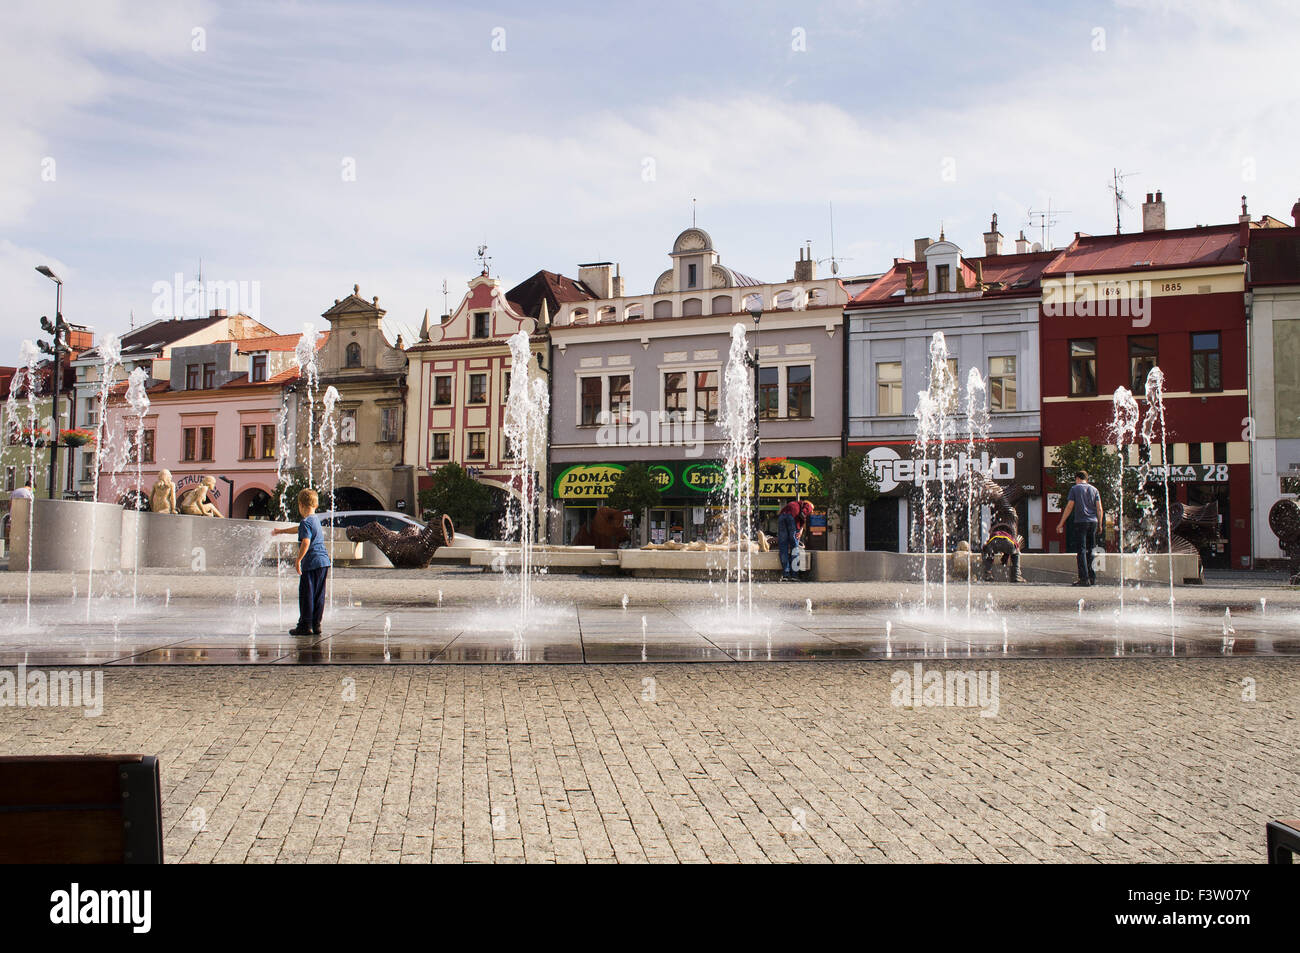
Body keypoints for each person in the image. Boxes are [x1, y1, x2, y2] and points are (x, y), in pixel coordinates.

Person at [272, 488, 332, 635]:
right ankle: (316, 624)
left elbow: (306, 541)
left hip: (311, 563)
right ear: (315, 505)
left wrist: (298, 560)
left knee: (307, 594)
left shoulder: (306, 522)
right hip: (323, 562)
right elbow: (299, 529)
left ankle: (305, 625)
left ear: (300, 505)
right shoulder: (314, 520)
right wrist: (282, 531)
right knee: (318, 594)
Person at [1056, 470, 1104, 587]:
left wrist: (1061, 523)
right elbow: (1099, 509)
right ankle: (1092, 577)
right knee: (1091, 549)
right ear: (1086, 479)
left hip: (1081, 522)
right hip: (1093, 522)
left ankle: (1084, 578)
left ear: (1077, 478)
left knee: (1081, 550)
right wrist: (1100, 524)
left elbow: (1069, 507)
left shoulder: (1075, 489)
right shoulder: (1094, 490)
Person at [776, 498, 803, 581]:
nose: (812, 512)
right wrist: (801, 529)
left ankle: (786, 574)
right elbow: (803, 514)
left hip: (781, 517)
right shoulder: (808, 505)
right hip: (792, 517)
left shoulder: (791, 505)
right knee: (795, 547)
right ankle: (794, 575)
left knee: (783, 547)